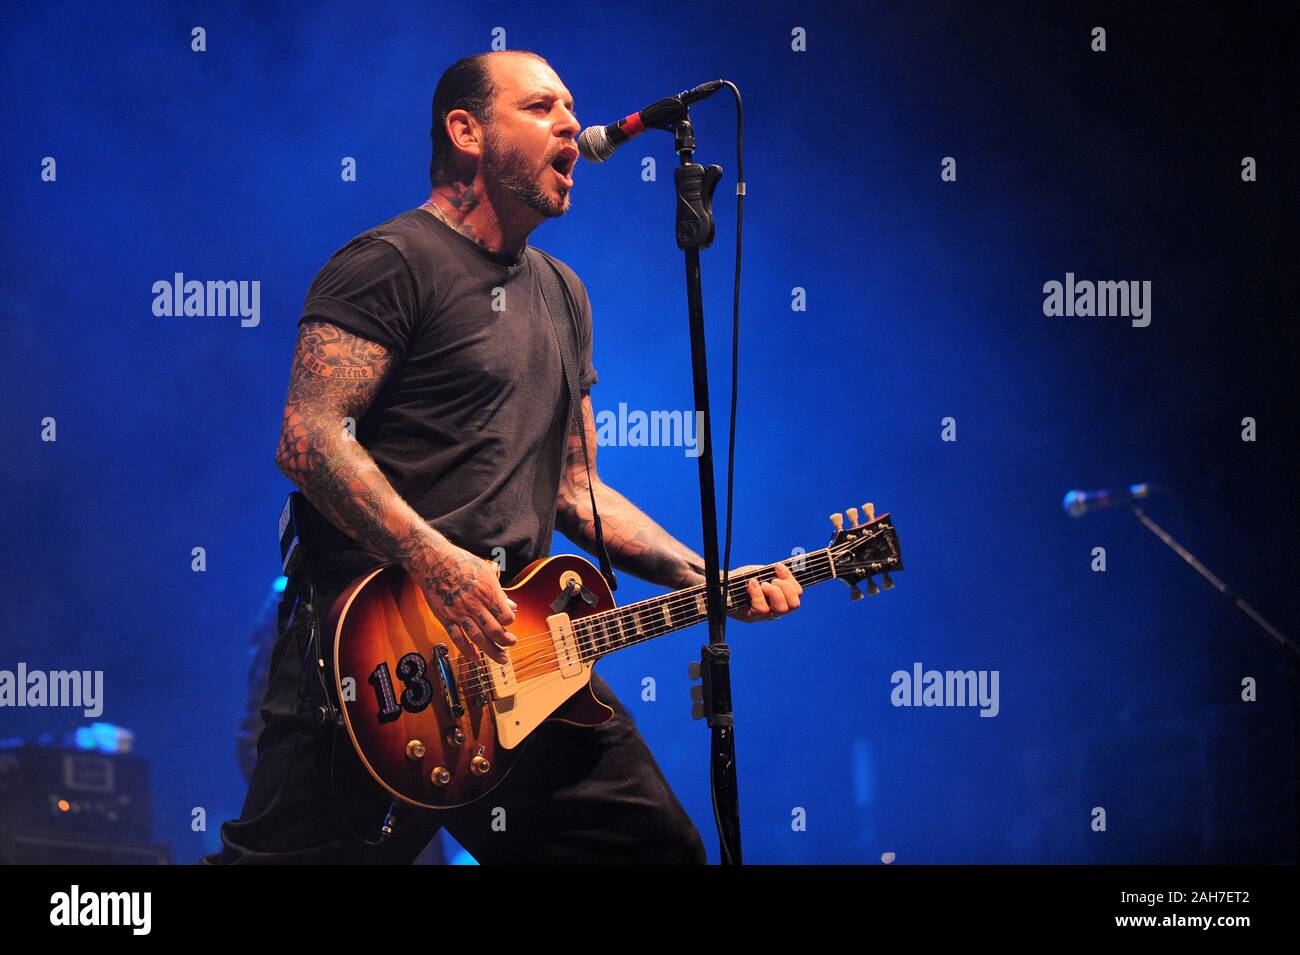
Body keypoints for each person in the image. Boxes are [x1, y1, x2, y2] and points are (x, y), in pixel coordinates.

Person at [206, 49, 803, 865]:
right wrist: (435, 560)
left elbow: (576, 486)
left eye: (571, 107)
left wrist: (703, 579)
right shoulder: (389, 263)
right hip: (383, 664)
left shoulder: (563, 293)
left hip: (523, 654)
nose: (571, 124)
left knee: (654, 852)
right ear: (466, 132)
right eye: (542, 107)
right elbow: (309, 439)